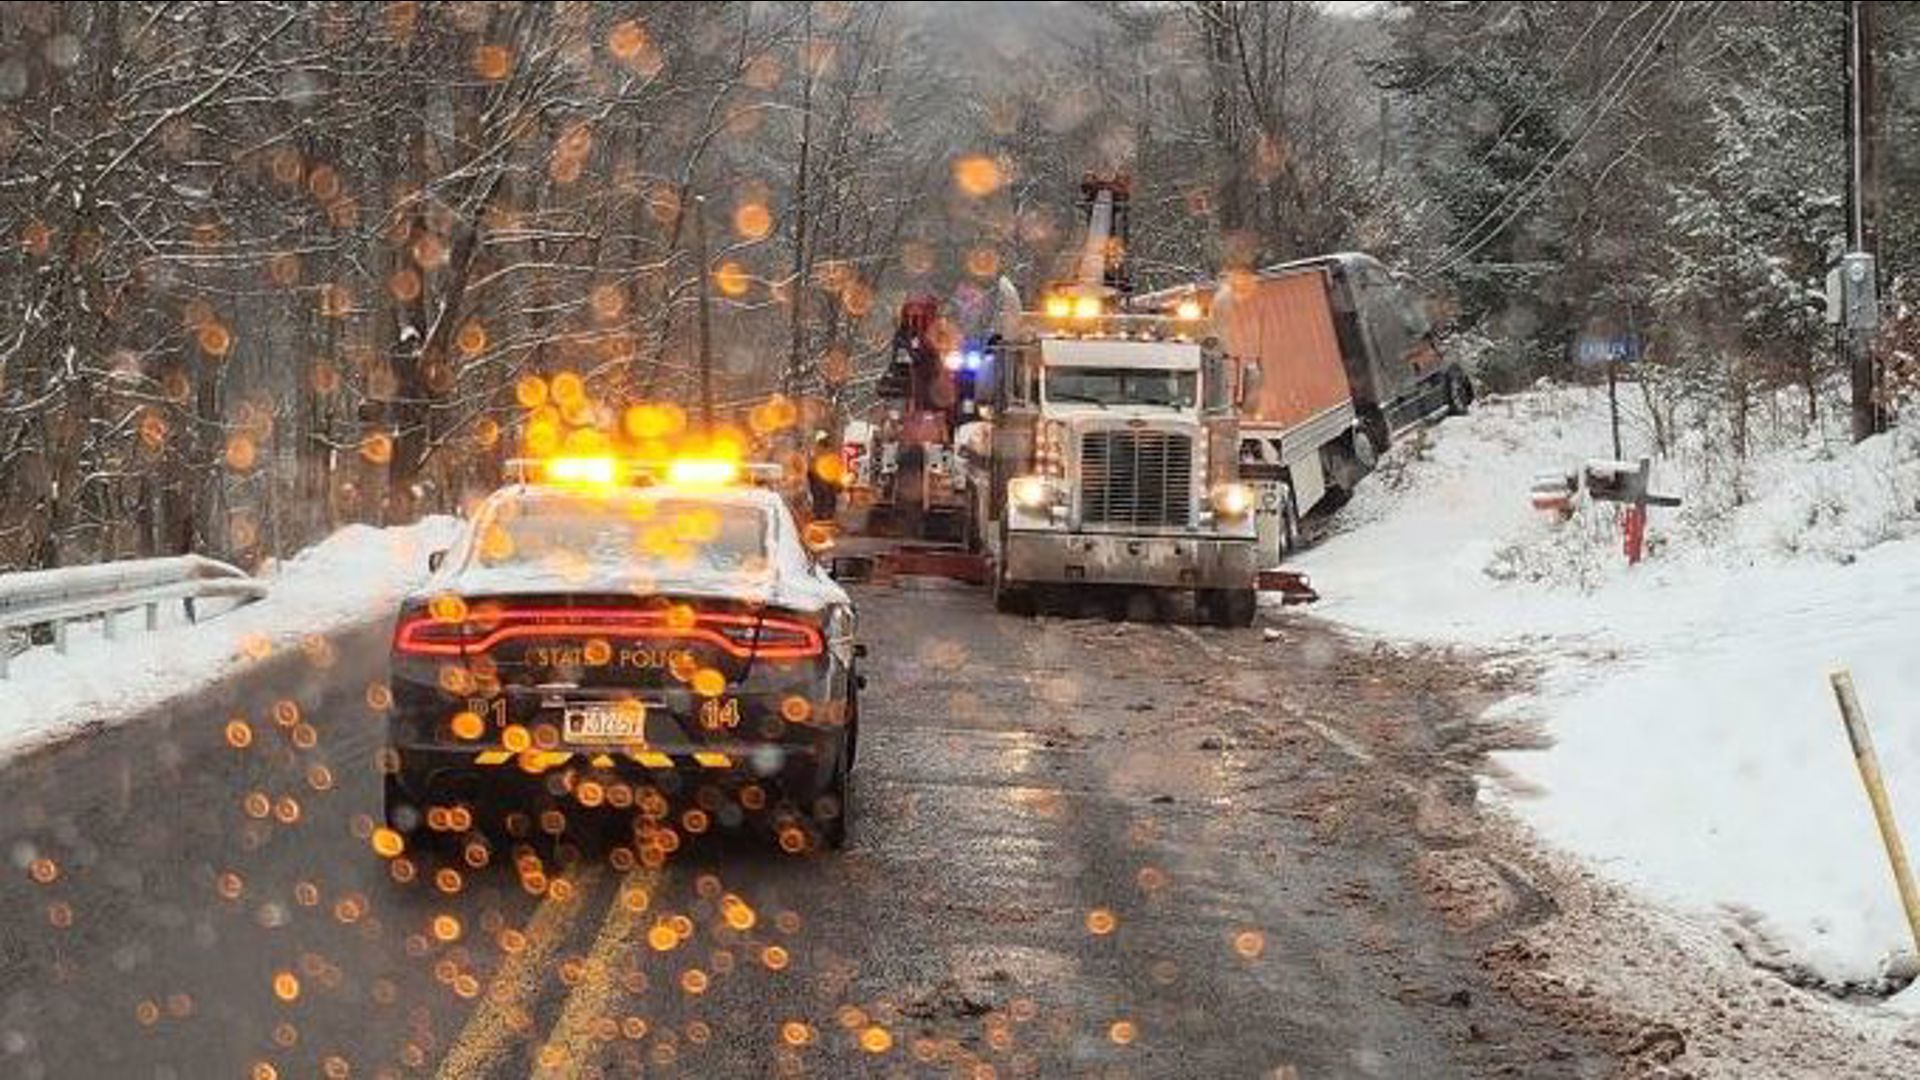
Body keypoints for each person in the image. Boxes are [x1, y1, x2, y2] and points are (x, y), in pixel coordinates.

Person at [807, 429, 840, 524]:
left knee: (821, 498)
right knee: (825, 498)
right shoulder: (827, 453)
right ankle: (824, 516)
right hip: (823, 481)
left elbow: (811, 469)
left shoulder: (817, 453)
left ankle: (821, 516)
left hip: (821, 481)